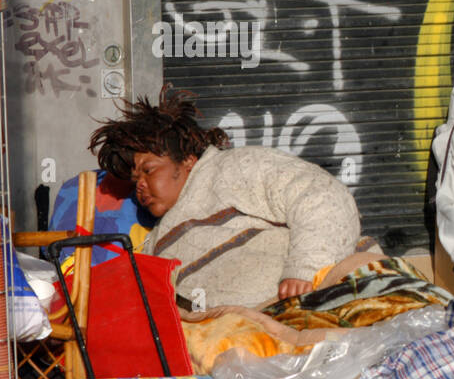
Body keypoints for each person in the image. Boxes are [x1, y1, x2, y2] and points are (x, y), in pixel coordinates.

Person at [89, 87, 366, 309]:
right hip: (232, 342)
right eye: (135, 180)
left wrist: (305, 271)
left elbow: (319, 195)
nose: (141, 187)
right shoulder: (157, 241)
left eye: (148, 171)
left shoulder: (232, 169)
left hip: (296, 309)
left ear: (187, 160)